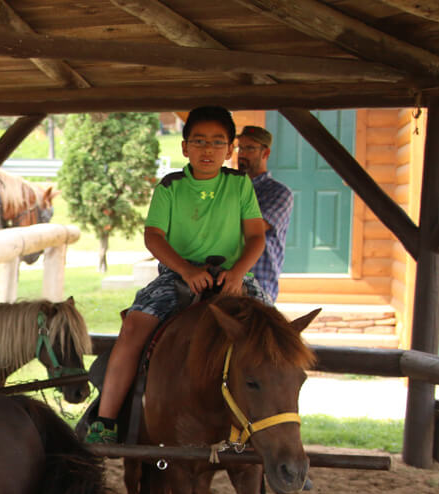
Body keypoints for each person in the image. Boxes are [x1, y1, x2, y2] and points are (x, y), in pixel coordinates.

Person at [85, 106, 268, 445]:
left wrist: (237, 274)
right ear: (185, 147)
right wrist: (186, 270)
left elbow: (256, 236)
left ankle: (277, 426)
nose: (208, 149)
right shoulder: (170, 187)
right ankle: (106, 420)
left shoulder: (240, 185)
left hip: (233, 276)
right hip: (178, 275)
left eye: (217, 142)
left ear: (230, 149)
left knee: (274, 337)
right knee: (134, 327)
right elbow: (153, 236)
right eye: (199, 141)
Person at [235, 125, 294, 302]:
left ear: (265, 153)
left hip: (259, 283)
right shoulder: (228, 189)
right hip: (223, 278)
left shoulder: (279, 193)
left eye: (250, 148)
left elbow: (253, 228)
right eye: (240, 148)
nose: (242, 154)